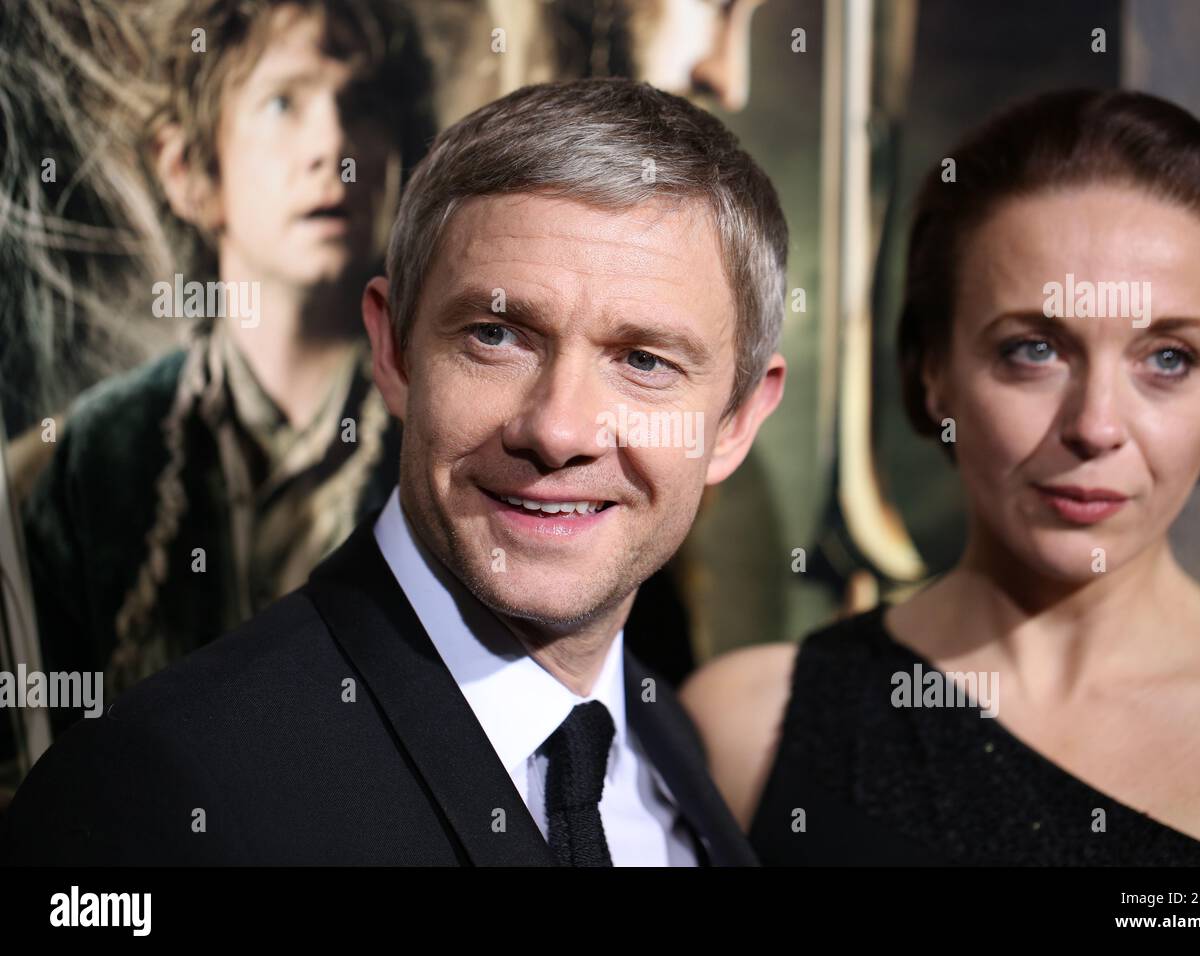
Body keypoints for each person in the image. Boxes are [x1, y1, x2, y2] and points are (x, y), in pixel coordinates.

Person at [3, 76, 788, 866]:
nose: (557, 431)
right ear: (393, 353)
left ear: (737, 421)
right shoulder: (150, 797)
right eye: (496, 336)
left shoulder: (680, 757)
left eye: (644, 361)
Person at [681, 88, 1200, 866]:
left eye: (1168, 359)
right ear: (933, 370)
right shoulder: (747, 729)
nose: (1096, 426)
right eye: (1033, 350)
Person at [18, 0, 434, 726]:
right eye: (281, 103)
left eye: (362, 104)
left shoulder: (446, 433)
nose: (332, 144)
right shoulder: (98, 457)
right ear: (187, 169)